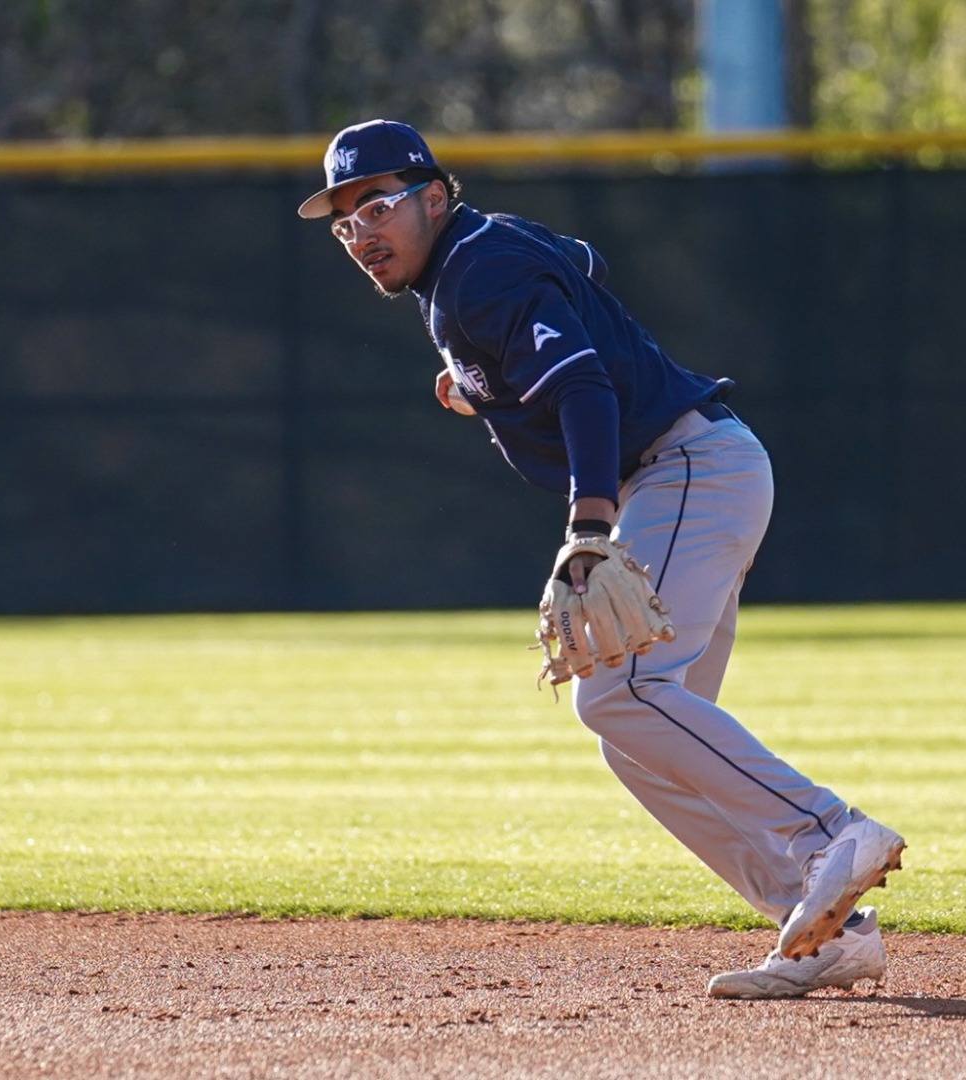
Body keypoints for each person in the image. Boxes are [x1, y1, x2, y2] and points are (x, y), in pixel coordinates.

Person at [298, 119, 907, 999]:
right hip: (700, 473)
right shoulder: (478, 256)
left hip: (682, 466)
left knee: (617, 690)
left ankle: (828, 832)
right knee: (639, 732)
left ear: (435, 197)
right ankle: (828, 933)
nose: (361, 234)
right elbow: (584, 265)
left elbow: (582, 380)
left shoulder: (478, 270)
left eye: (378, 205)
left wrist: (588, 524)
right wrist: (484, 384)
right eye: (344, 221)